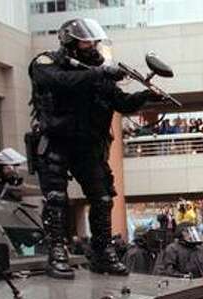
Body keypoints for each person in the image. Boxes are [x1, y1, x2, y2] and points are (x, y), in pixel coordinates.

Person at [29, 17, 158, 279]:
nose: (92, 46)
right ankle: (57, 251)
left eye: (94, 41)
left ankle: (102, 252)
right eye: (86, 41)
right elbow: (61, 82)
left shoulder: (98, 70)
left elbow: (121, 103)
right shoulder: (45, 63)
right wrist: (99, 73)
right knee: (56, 198)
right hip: (57, 141)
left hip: (88, 146)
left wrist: (146, 95)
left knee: (102, 199)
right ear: (70, 41)